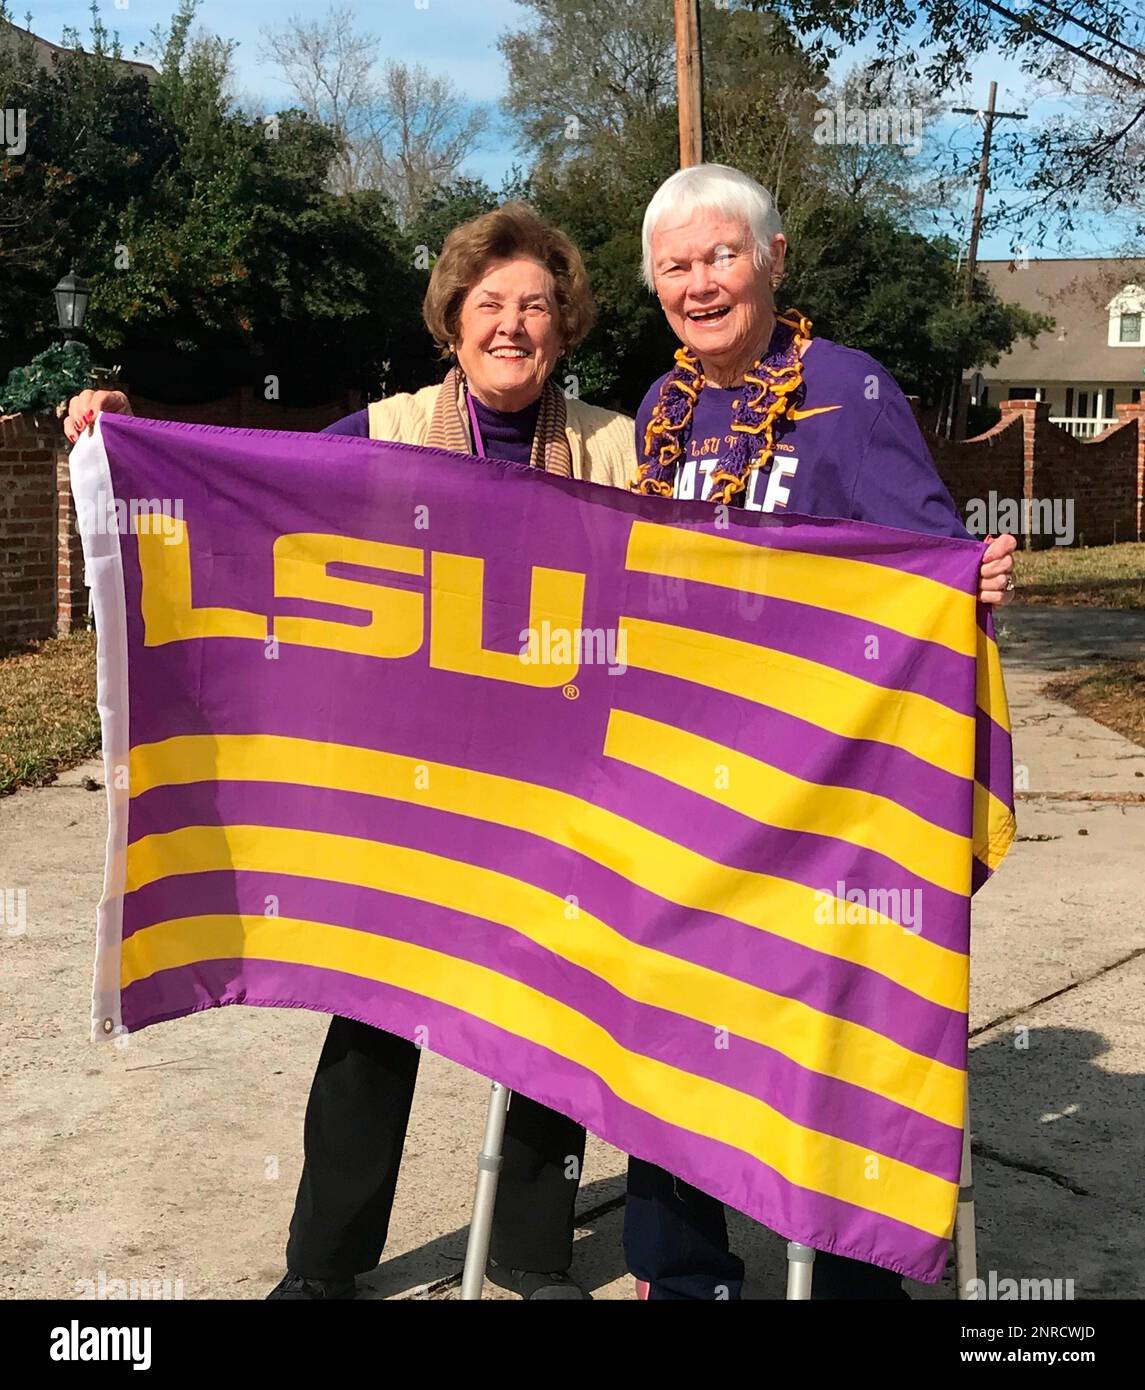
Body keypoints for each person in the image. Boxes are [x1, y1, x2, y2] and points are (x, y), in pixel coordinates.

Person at [64, 202, 635, 1302]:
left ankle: (530, 1254)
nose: (510, 325)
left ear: (564, 326)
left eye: (534, 306)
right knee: (373, 1012)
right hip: (409, 782)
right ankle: (322, 1265)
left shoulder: (614, 445)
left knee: (549, 1008)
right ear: (452, 321)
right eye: (488, 305)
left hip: (562, 777)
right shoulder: (391, 428)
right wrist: (133, 435)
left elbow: (721, 562)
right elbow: (247, 488)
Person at [625, 161, 1016, 1301]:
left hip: (833, 795)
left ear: (772, 260)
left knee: (840, 1019)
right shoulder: (658, 411)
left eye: (720, 256)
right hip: (686, 788)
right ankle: (678, 1267)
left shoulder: (851, 389)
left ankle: (853, 1273)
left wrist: (975, 575)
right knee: (667, 1011)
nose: (700, 284)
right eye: (675, 267)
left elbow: (929, 558)